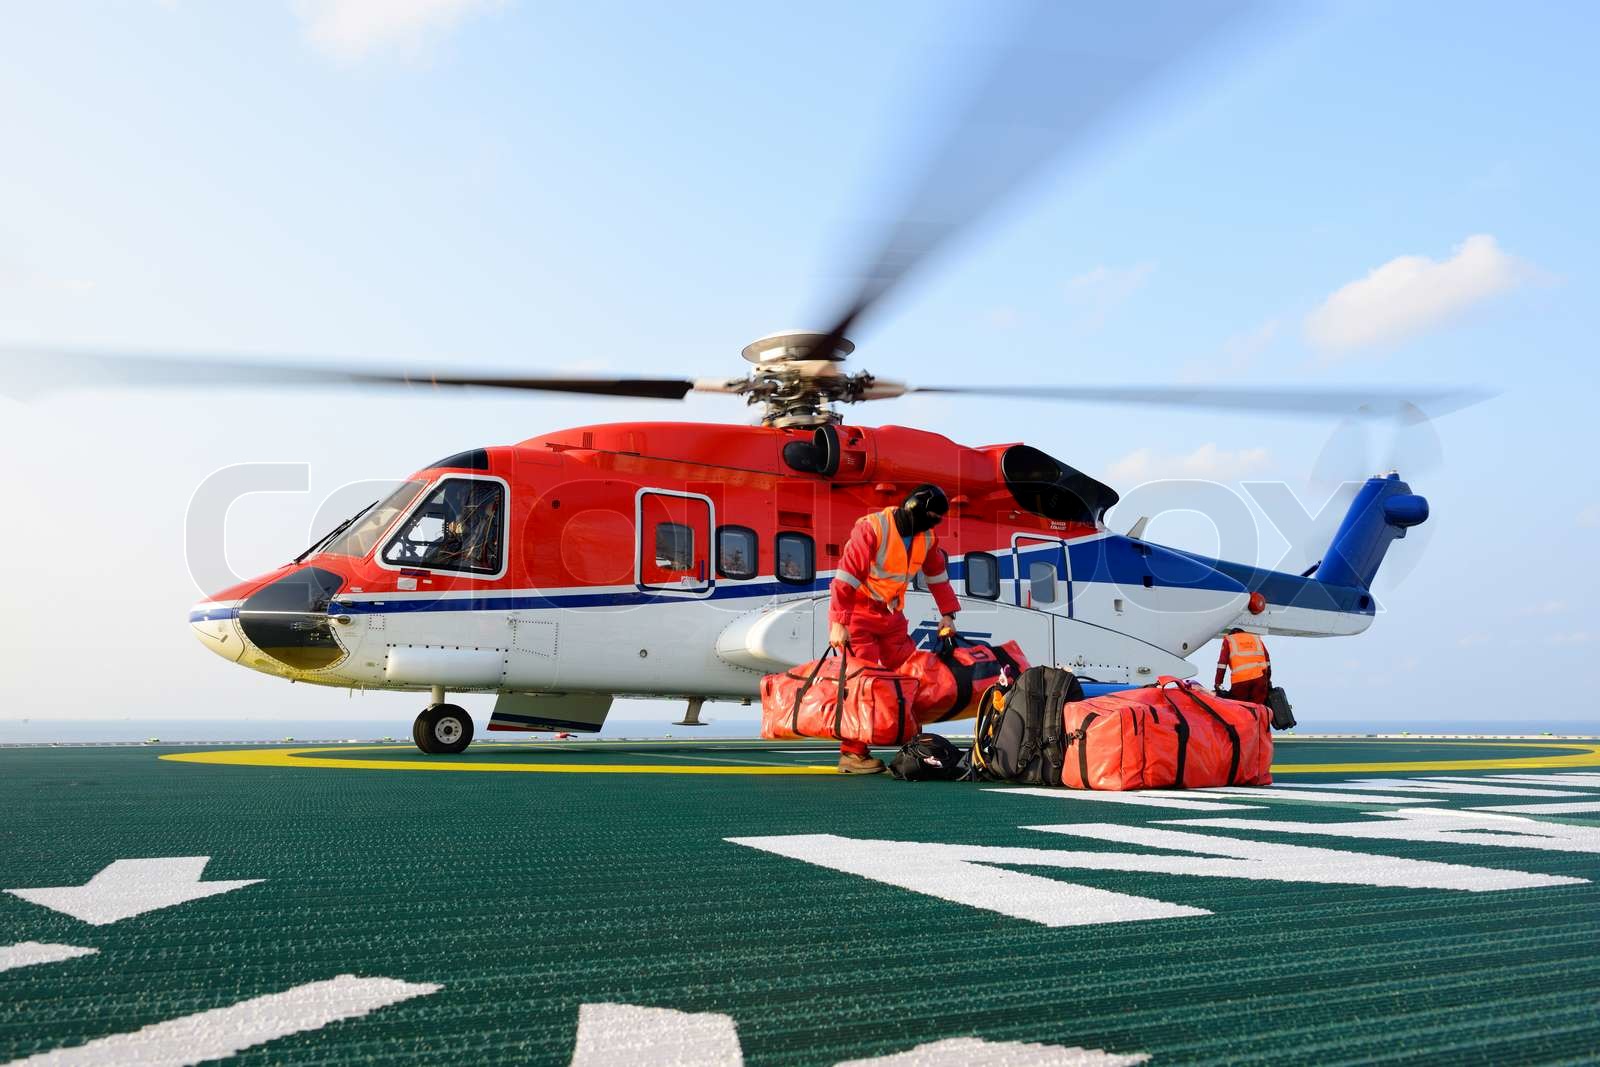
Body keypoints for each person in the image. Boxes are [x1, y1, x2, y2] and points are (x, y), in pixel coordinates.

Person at [827, 484, 960, 774]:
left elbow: (937, 576)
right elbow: (845, 578)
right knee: (861, 682)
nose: (930, 526)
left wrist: (948, 615)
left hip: (891, 614)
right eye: (929, 519)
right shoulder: (872, 529)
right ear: (913, 512)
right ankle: (852, 754)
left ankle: (913, 748)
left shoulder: (927, 538)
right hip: (858, 613)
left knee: (910, 675)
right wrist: (838, 622)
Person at [1214, 627, 1271, 704]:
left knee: (1240, 706)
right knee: (1258, 706)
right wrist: (1267, 679)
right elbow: (1267, 661)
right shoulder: (1256, 638)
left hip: (1240, 681)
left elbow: (1222, 664)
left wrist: (1218, 682)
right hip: (1259, 679)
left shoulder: (1229, 639)